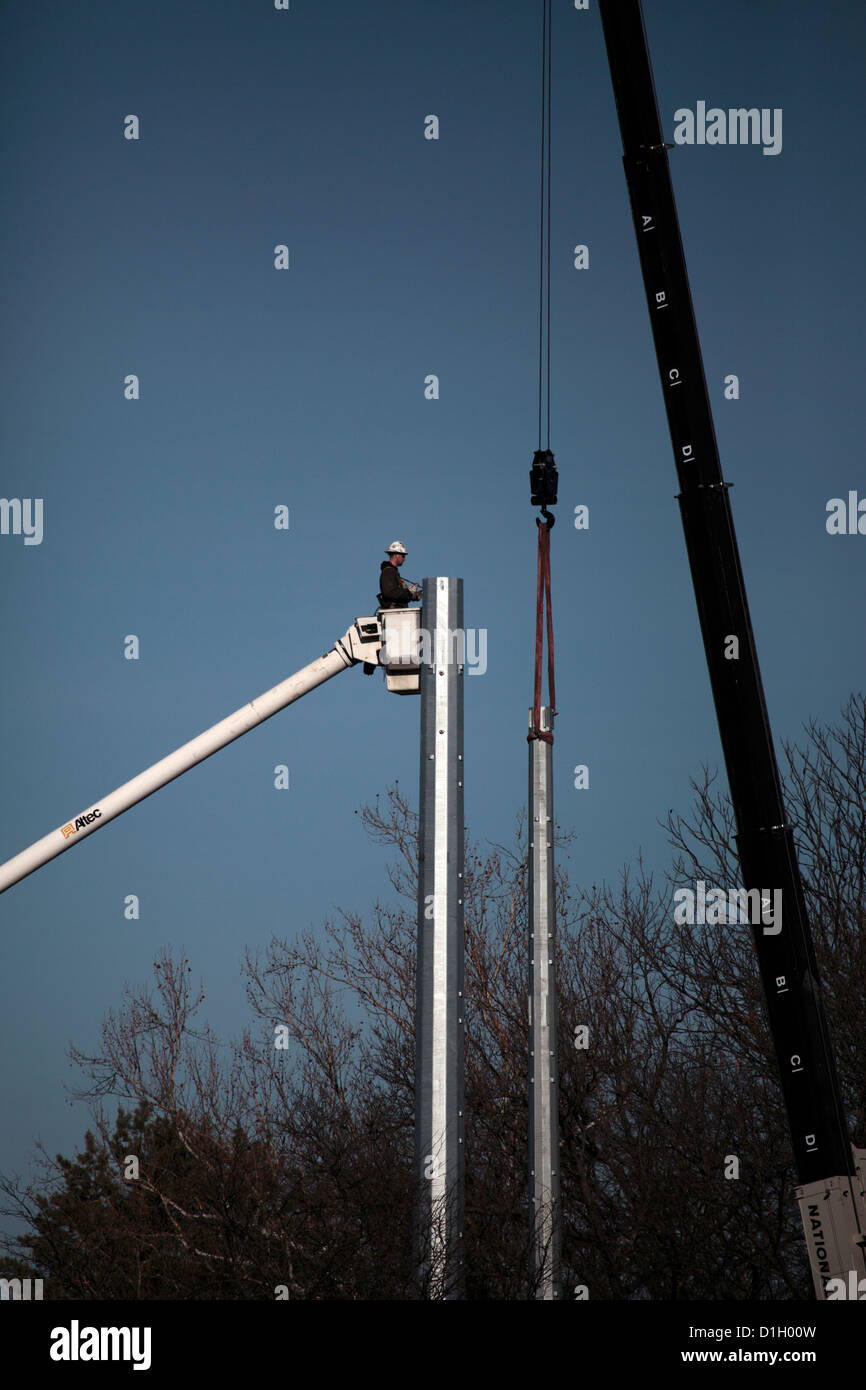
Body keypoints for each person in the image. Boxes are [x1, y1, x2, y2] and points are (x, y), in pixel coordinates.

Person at [378, 541, 422, 609]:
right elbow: (390, 593)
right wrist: (408, 592)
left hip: (398, 612)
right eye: (403, 556)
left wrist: (412, 595)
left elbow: (397, 594)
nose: (404, 559)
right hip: (394, 613)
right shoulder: (388, 572)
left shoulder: (393, 572)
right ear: (396, 555)